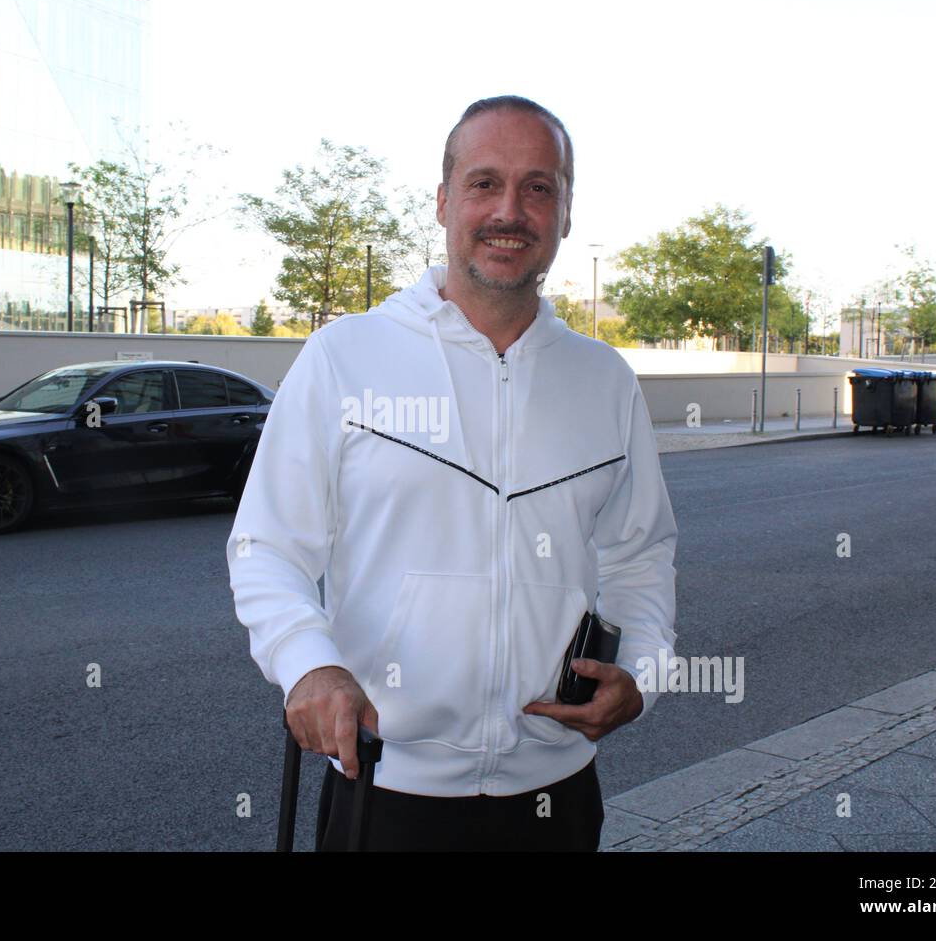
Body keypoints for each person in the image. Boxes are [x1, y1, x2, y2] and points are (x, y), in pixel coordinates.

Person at [226, 96, 678, 852]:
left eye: (539, 187)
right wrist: (309, 668)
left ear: (566, 213)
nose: (511, 209)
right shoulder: (345, 358)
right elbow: (267, 548)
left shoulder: (606, 380)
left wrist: (641, 672)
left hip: (555, 797)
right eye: (484, 183)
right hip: (386, 789)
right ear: (443, 201)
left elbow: (640, 552)